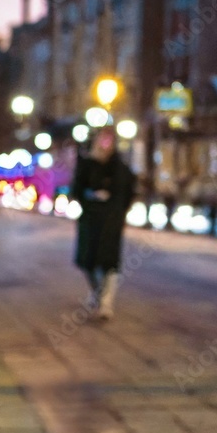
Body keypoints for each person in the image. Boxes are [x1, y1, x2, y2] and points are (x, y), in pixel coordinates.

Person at [71, 126, 136, 320]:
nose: (105, 144)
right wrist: (89, 197)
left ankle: (106, 302)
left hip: (111, 221)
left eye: (109, 140)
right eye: (102, 139)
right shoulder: (87, 164)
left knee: (109, 262)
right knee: (88, 261)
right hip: (90, 219)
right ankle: (98, 293)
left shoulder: (120, 168)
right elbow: (77, 189)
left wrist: (118, 212)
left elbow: (128, 193)